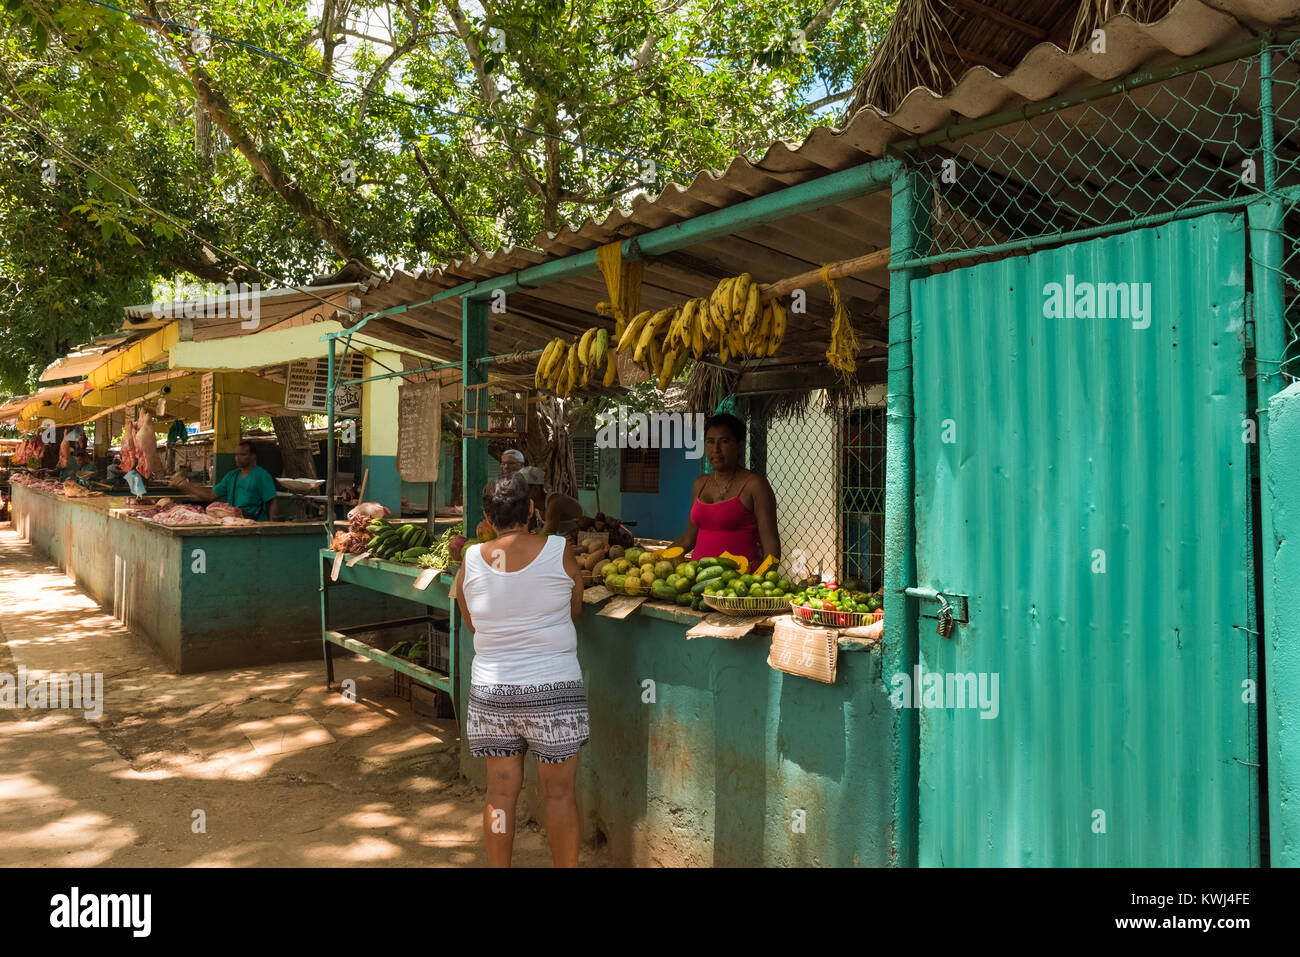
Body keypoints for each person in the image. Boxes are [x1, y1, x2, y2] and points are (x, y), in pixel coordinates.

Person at [451, 472, 587, 867]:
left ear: (487, 519)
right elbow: (574, 608)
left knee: (499, 794)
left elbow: (472, 621)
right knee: (559, 795)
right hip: (553, 690)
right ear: (531, 509)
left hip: (493, 692)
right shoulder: (558, 550)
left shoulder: (472, 557)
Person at [670, 412, 780, 568]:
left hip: (740, 584)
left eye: (724, 441)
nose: (716, 449)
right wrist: (654, 561)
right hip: (697, 582)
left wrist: (762, 581)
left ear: (739, 445)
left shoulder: (755, 485)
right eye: (710, 441)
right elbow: (688, 539)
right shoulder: (700, 484)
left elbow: (771, 545)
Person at [173, 440, 279, 521]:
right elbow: (211, 495)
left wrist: (270, 524)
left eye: (242, 455)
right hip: (235, 519)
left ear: (253, 456)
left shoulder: (262, 475)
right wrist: (186, 485)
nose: (237, 458)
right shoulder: (231, 476)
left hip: (256, 522)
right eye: (236, 455)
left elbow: (272, 500)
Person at [517, 466, 584, 536]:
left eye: (521, 489)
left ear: (536, 489)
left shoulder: (555, 501)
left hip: (585, 538)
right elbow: (527, 529)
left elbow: (547, 533)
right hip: (566, 540)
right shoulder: (533, 503)